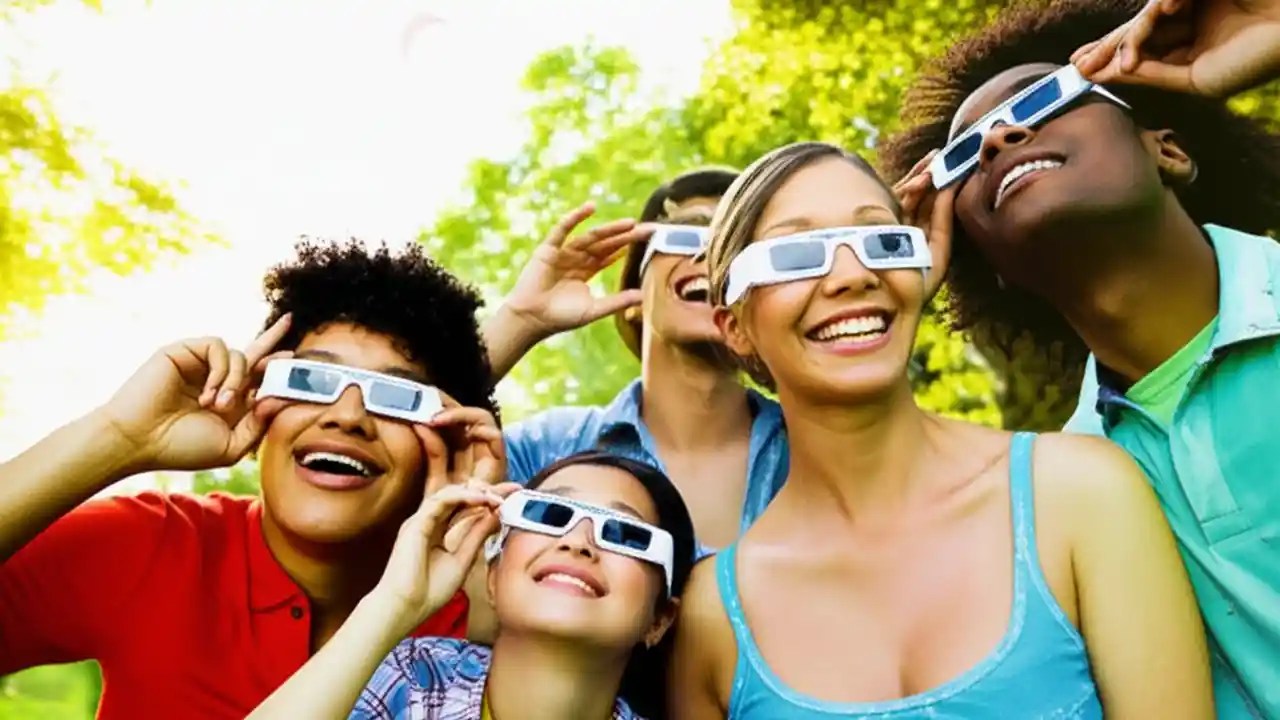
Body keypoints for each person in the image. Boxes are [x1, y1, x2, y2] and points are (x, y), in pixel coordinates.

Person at [669, 141, 1212, 719]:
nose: (853, 275)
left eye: (882, 242)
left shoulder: (1079, 491)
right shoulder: (714, 616)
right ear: (733, 328)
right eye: (796, 255)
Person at [880, 0, 1280, 714]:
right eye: (964, 156)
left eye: (1044, 98)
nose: (1000, 135)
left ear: (1169, 150)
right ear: (986, 262)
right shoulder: (1063, 495)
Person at [0, 239, 502, 719]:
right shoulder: (157, 543)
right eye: (311, 381)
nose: (348, 415)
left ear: (452, 443)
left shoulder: (489, 613)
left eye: (396, 396)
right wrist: (120, 437)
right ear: (257, 402)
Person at [246, 450, 695, 720]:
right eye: (549, 514)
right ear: (494, 576)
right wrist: (394, 604)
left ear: (659, 619)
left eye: (625, 534)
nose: (579, 542)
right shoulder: (413, 680)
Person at [483, 169, 789, 553]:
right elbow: (401, 456)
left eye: (741, 246)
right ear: (633, 297)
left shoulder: (819, 449)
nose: (712, 254)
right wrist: (520, 321)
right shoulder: (549, 449)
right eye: (686, 234)